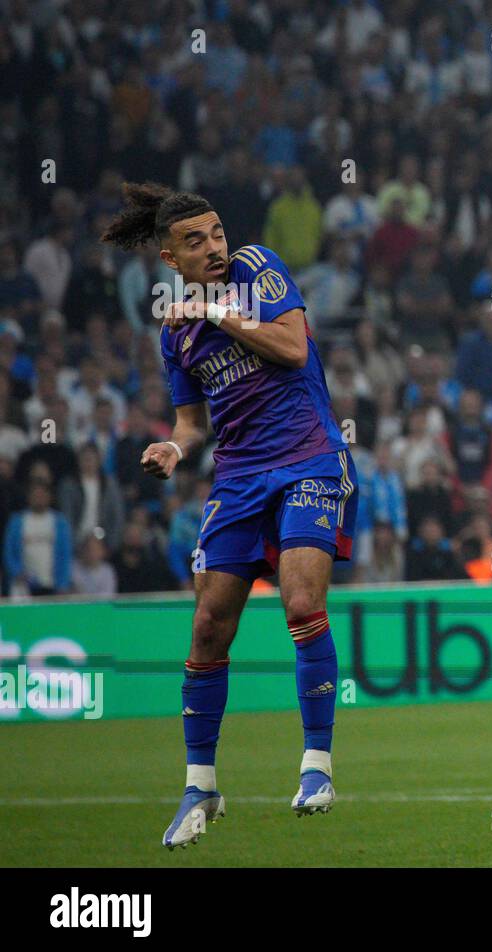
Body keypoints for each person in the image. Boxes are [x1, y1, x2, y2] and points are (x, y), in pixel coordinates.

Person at [100, 182, 359, 849]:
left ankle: (316, 765)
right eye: (196, 241)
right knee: (209, 628)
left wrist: (215, 309)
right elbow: (193, 423)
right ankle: (201, 786)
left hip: (308, 458)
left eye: (216, 233)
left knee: (302, 602)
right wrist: (173, 444)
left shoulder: (257, 268)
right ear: (169, 258)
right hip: (238, 477)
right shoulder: (175, 336)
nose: (214, 247)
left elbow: (292, 347)